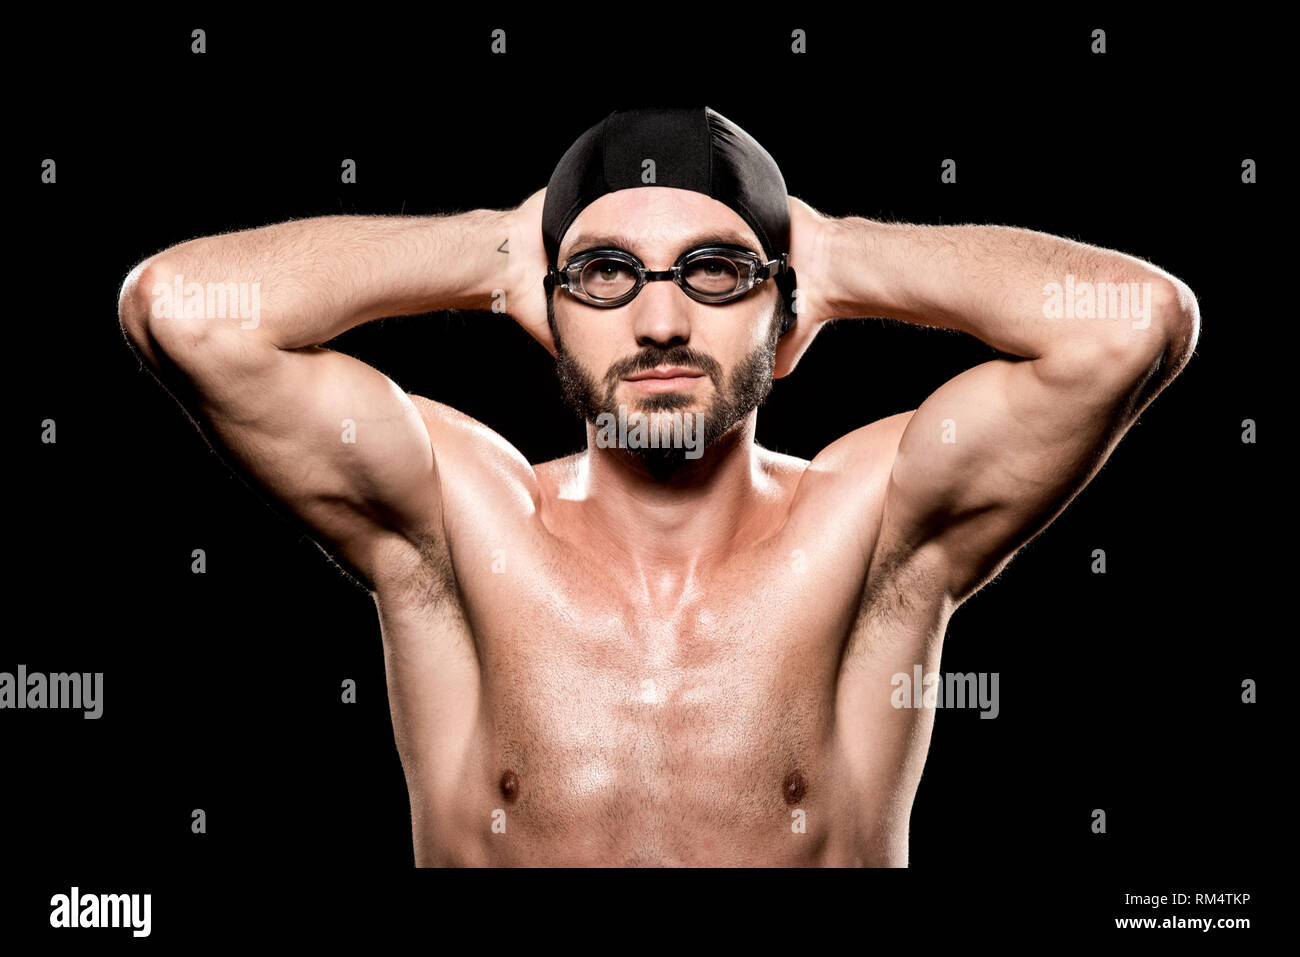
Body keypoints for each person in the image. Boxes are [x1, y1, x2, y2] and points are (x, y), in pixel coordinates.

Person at [117, 106, 1199, 866]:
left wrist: (833, 253)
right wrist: (493, 250)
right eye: (605, 275)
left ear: (785, 328)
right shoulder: (455, 521)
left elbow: (1129, 325)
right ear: (545, 314)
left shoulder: (869, 528)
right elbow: (183, 307)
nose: (662, 320)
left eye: (715, 272)